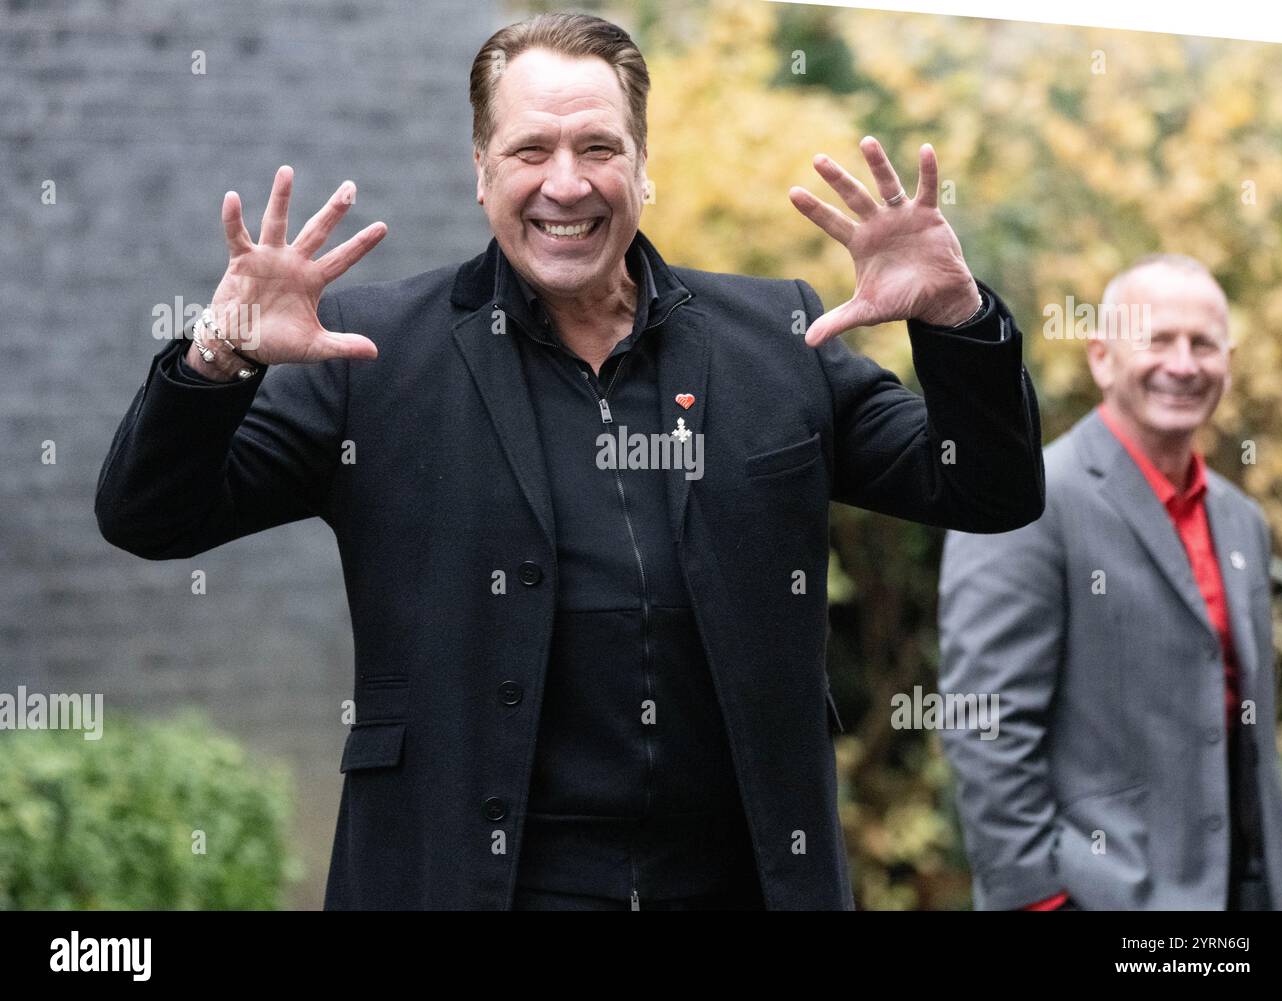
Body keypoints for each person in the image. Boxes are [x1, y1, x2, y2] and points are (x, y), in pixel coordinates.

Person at [96, 11, 1044, 910]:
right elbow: (150, 515)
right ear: (480, 170)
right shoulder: (371, 355)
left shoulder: (776, 334)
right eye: (530, 151)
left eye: (598, 148)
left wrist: (955, 320)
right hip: (474, 881)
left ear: (643, 168)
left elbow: (988, 487)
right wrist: (220, 355)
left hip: (738, 881)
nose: (566, 183)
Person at [939, 253, 1282, 910]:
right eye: (1157, 339)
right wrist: (1041, 899)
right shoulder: (1029, 504)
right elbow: (983, 724)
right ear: (1101, 356)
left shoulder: (1240, 519)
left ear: (1229, 360)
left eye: (1203, 343)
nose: (1183, 363)